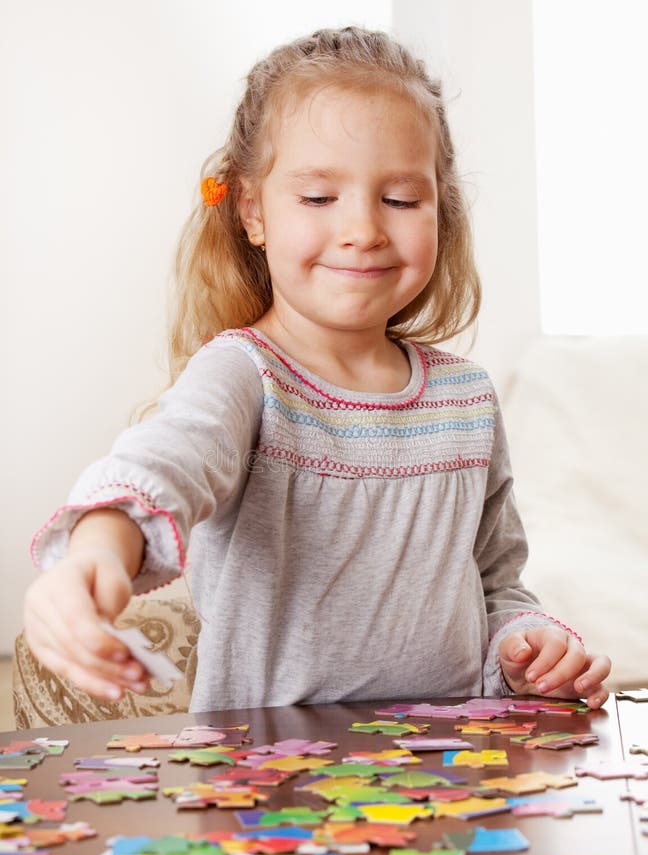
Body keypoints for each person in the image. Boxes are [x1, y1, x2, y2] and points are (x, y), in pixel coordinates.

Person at [24, 26, 610, 712]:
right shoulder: (244, 376)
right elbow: (166, 461)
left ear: (440, 211)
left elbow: (495, 585)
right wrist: (95, 551)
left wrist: (527, 645)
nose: (363, 228)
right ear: (251, 211)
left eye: (400, 199)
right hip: (269, 788)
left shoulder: (467, 399)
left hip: (450, 778)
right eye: (318, 197)